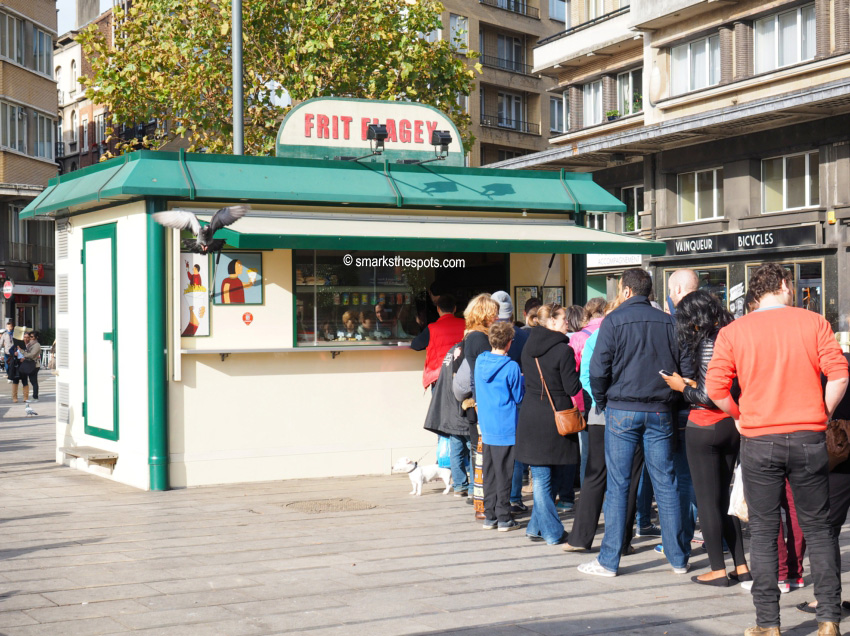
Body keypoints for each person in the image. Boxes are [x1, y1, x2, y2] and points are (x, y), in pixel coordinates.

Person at [706, 263, 849, 636]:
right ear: (784, 285)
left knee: (765, 532)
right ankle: (829, 620)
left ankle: (768, 624)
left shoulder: (734, 331)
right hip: (808, 437)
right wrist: (823, 411)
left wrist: (739, 416)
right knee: (818, 529)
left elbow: (716, 389)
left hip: (759, 440)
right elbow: (839, 373)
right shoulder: (813, 322)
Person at [580, 268, 693, 578]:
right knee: (666, 482)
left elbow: (597, 369)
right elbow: (683, 370)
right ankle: (678, 558)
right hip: (659, 410)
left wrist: (602, 400)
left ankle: (609, 560)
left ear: (626, 291)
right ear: (650, 292)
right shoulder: (670, 322)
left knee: (619, 485)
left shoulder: (613, 321)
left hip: (621, 409)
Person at [661, 290, 749, 587]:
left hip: (706, 425)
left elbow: (709, 396)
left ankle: (717, 569)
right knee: (724, 499)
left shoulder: (710, 339)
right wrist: (695, 382)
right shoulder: (732, 332)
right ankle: (741, 566)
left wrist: (680, 387)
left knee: (708, 502)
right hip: (730, 425)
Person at [564, 298, 643, 556]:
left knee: (595, 474)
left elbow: (585, 375)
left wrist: (600, 400)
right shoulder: (635, 334)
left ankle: (580, 538)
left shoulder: (596, 337)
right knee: (628, 478)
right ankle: (621, 540)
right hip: (629, 412)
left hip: (600, 413)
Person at [515, 302, 581, 545]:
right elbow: (572, 387)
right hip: (553, 418)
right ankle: (553, 532)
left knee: (543, 475)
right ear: (551, 322)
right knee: (544, 479)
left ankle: (535, 527)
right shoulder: (563, 351)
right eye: (563, 319)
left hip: (531, 415)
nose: (567, 322)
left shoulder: (526, 347)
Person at [476, 321, 525, 532]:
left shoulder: (480, 361)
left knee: (490, 473)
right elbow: (519, 396)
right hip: (505, 426)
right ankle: (504, 517)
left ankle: (490, 516)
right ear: (509, 343)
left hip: (486, 426)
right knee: (504, 473)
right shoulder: (512, 366)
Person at [490, 290, 531, 513]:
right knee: (515, 452)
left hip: (493, 401)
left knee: (491, 451)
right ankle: (514, 497)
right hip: (518, 396)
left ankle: (494, 499)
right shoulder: (523, 335)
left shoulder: (488, 335)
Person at [463, 293, 500, 519]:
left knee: (481, 456)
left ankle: (483, 505)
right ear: (486, 314)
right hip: (484, 403)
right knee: (485, 457)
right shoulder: (480, 339)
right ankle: (485, 506)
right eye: (494, 313)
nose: (497, 317)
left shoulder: (471, 336)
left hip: (478, 401)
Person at [567, 298, 606, 485]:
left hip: (583, 400)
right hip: (610, 401)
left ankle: (586, 492)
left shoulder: (578, 337)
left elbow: (572, 371)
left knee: (587, 453)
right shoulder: (612, 331)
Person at [411, 294, 465, 389]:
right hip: (462, 374)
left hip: (439, 376)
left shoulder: (432, 328)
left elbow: (415, 345)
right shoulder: (466, 325)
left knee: (440, 404)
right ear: (455, 309)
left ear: (438, 309)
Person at [18, 330, 41, 403]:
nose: (30, 338)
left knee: (34, 381)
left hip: (34, 364)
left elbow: (31, 355)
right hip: (29, 363)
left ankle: (35, 397)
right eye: (29, 336)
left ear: (36, 337)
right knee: (32, 381)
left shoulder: (36, 345)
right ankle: (34, 396)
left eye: (31, 337)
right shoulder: (30, 344)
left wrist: (22, 352)